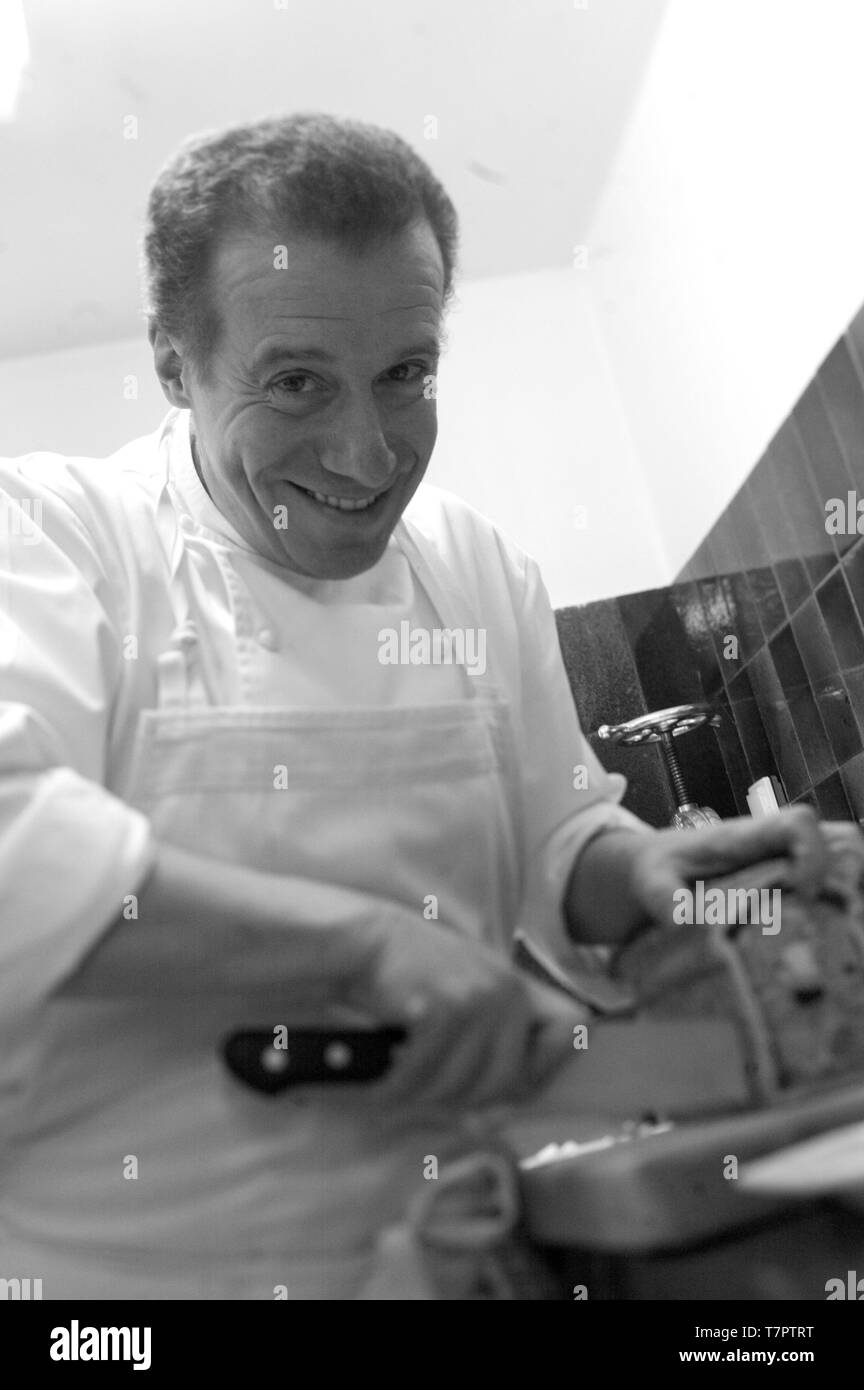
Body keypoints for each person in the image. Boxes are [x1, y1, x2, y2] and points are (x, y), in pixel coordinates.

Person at [0, 113, 833, 1300]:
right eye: (296, 382)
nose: (367, 453)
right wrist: (367, 945)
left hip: (449, 1259)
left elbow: (555, 839)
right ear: (177, 367)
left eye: (406, 374)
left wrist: (645, 871)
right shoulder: (54, 539)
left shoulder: (474, 567)